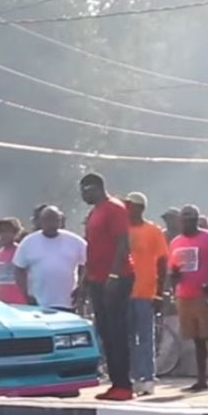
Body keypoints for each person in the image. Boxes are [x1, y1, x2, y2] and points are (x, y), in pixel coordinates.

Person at [80, 172, 135, 401]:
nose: (83, 195)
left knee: (116, 331)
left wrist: (113, 275)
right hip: (97, 278)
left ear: (96, 187)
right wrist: (84, 281)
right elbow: (92, 248)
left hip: (116, 278)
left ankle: (123, 384)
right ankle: (116, 382)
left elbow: (123, 242)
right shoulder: (94, 212)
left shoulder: (114, 208)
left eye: (85, 190)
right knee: (105, 332)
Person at [168, 205, 208, 393]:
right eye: (184, 220)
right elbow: (173, 268)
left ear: (197, 220)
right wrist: (174, 279)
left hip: (205, 295)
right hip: (185, 295)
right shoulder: (176, 242)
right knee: (196, 339)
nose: (187, 223)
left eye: (191, 220)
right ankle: (201, 380)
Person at [123, 192, 169, 396]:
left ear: (140, 208)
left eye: (130, 205)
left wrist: (159, 293)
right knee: (128, 337)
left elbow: (162, 262)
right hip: (124, 291)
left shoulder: (153, 231)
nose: (126, 208)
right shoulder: (121, 230)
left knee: (145, 337)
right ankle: (132, 377)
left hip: (145, 290)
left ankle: (148, 378)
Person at [14, 206, 88, 315]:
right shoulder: (28, 242)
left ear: (60, 221)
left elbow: (88, 265)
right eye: (47, 220)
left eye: (55, 220)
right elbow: (18, 269)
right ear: (40, 221)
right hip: (38, 303)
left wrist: (82, 287)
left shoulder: (75, 241)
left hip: (68, 301)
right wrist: (26, 294)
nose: (51, 223)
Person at [0, 218, 28, 304]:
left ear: (15, 233)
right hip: (2, 302)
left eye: (8, 231)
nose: (4, 235)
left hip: (21, 301)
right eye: (1, 231)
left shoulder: (22, 251)